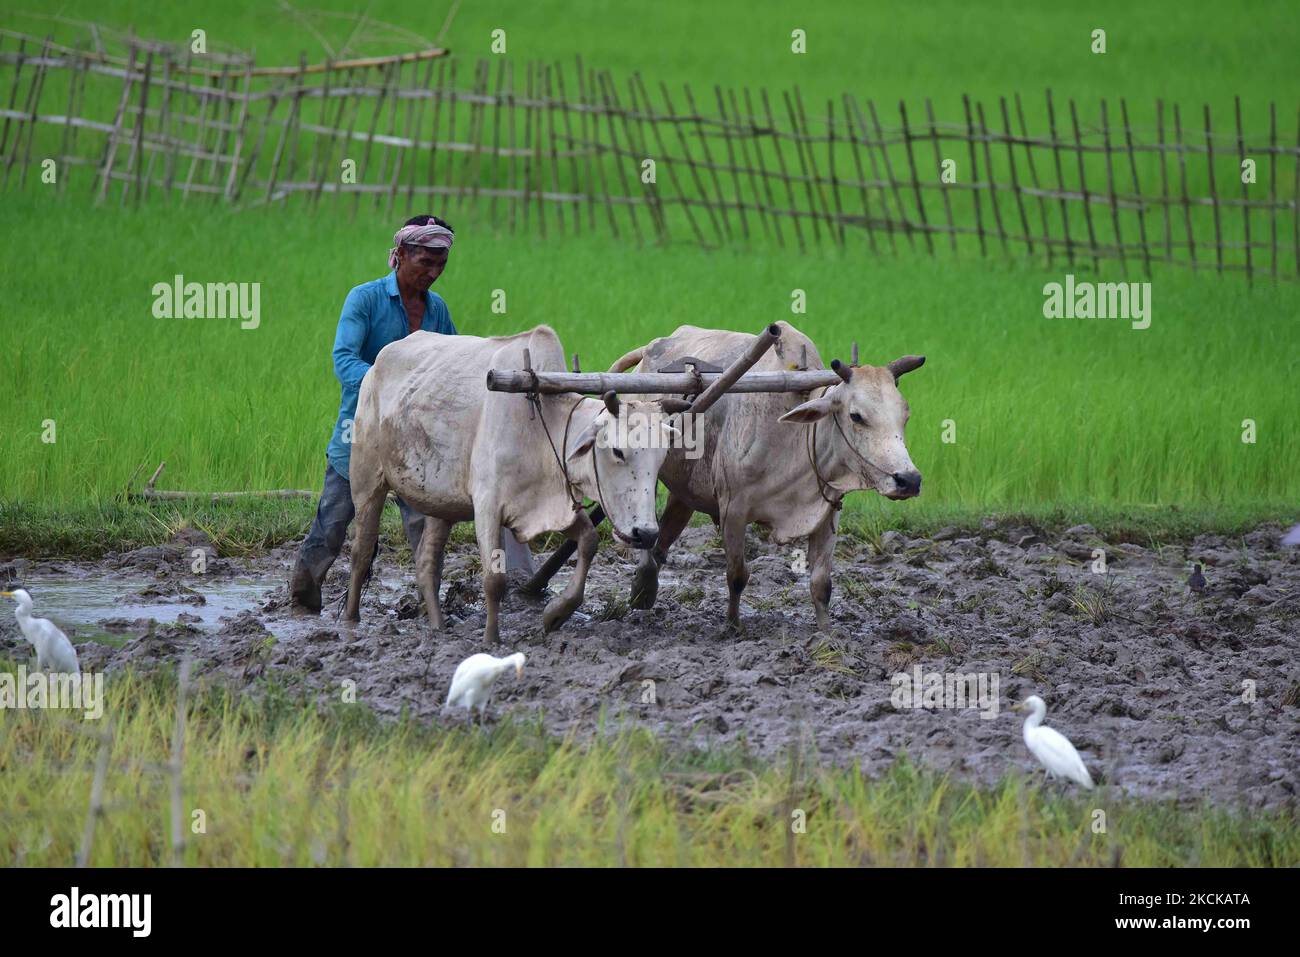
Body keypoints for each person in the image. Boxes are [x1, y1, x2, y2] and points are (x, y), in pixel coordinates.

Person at [290, 215, 534, 613]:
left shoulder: (437, 311)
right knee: (333, 524)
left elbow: (455, 367)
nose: (433, 273)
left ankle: (428, 604)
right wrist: (393, 388)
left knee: (425, 526)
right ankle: (302, 598)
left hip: (418, 445)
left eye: (441, 265)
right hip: (362, 433)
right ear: (400, 255)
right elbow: (344, 358)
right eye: (426, 262)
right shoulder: (365, 300)